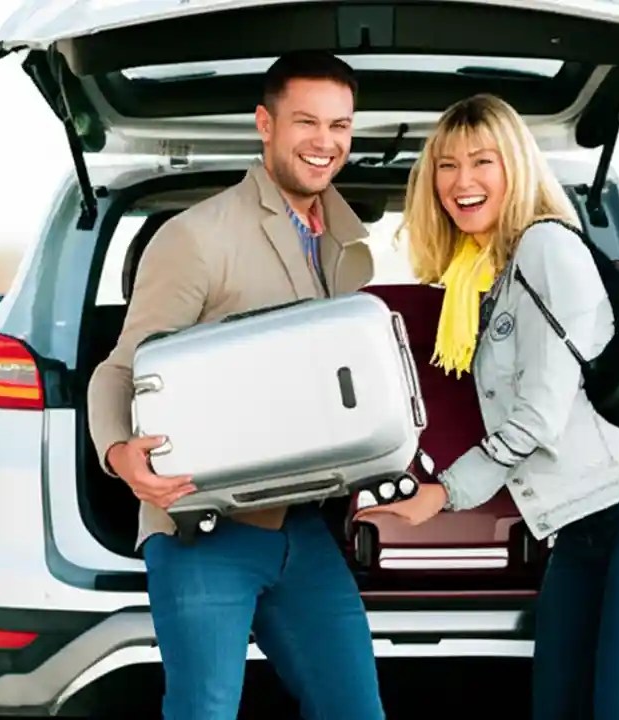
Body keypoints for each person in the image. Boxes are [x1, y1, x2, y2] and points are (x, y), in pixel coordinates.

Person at [354, 92, 619, 719]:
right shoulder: (483, 278)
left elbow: (538, 414)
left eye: (483, 161)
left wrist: (442, 494)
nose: (462, 181)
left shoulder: (546, 249)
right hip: (581, 526)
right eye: (447, 165)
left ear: (517, 168)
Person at [87, 50, 386, 720]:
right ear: (265, 124)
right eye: (306, 121)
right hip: (203, 528)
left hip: (303, 527)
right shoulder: (197, 237)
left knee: (355, 709)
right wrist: (120, 455)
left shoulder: (345, 243)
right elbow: (120, 369)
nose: (325, 141)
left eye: (339, 125)